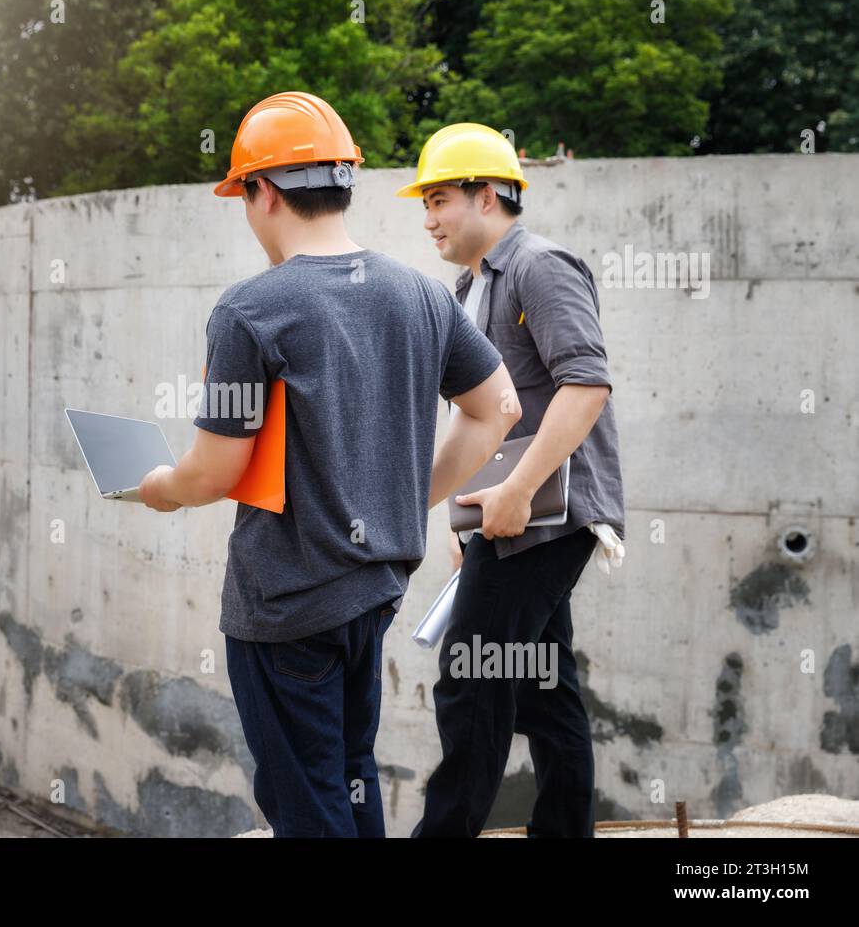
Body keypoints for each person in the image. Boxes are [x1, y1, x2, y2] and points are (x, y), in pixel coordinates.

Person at [137, 93, 519, 836]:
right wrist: (407, 501)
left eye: (243, 195)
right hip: (372, 595)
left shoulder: (251, 312)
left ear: (264, 191)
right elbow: (498, 407)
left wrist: (157, 488)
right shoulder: (422, 296)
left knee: (305, 803)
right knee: (348, 776)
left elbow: (212, 473)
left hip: (284, 606)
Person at [395, 122, 627, 837]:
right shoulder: (469, 287)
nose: (427, 216)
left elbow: (585, 385)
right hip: (508, 515)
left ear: (489, 194)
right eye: (423, 202)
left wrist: (519, 490)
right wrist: (466, 517)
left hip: (548, 514)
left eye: (439, 198)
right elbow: (488, 421)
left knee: (471, 680)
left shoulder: (540, 266)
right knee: (541, 689)